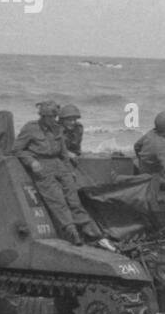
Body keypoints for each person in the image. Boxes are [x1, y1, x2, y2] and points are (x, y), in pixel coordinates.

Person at [14, 100, 105, 246]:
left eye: (55, 116)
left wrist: (69, 170)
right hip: (42, 164)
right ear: (42, 116)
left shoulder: (57, 128)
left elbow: (63, 151)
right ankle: (72, 232)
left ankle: (89, 230)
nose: (53, 120)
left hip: (58, 163)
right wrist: (31, 162)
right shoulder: (31, 128)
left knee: (73, 197)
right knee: (57, 201)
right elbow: (17, 149)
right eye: (50, 117)